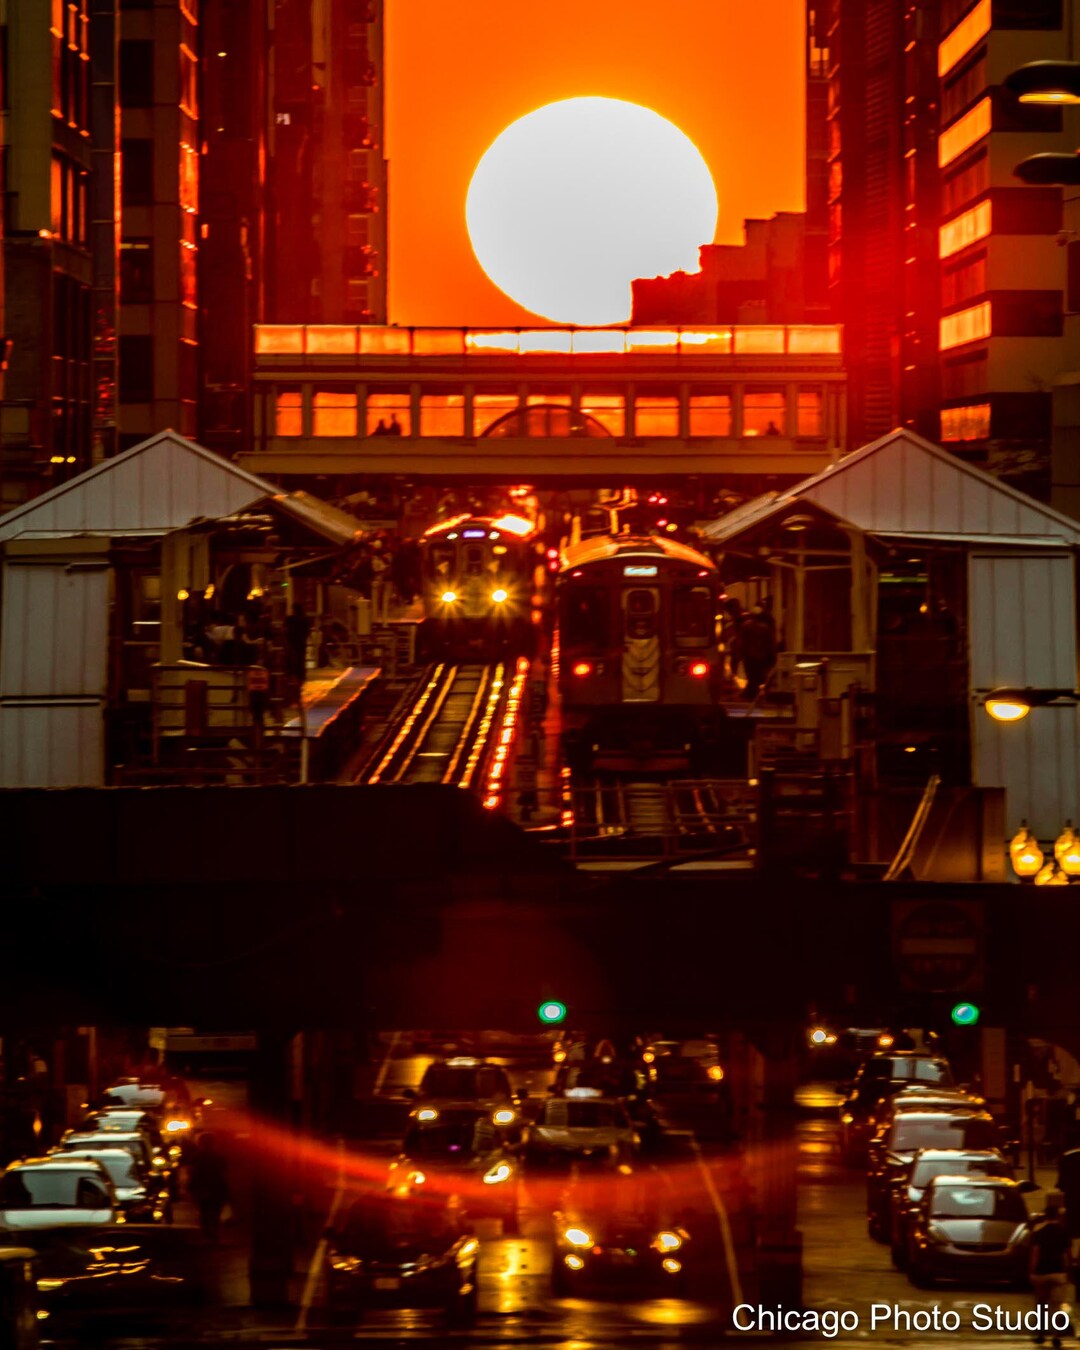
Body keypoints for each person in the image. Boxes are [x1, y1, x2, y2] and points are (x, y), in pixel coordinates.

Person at [1030, 1193, 1073, 1346]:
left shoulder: (1039, 1233)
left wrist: (1032, 1272)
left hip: (1042, 1272)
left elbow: (1035, 1253)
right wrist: (1068, 1272)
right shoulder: (1063, 1233)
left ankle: (1040, 1334)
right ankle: (1056, 1336)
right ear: (1058, 1216)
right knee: (1056, 1306)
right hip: (1058, 1272)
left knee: (1041, 1304)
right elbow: (1068, 1255)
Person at [188, 1132, 230, 1243]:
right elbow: (223, 1173)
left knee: (205, 1212)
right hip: (216, 1188)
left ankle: (207, 1235)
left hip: (203, 1188)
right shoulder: (219, 1157)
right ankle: (214, 1235)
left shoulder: (196, 1158)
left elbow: (193, 1174)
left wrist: (191, 1188)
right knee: (215, 1213)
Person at [284, 604, 311, 689]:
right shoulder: (304, 619)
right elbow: (307, 631)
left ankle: (292, 674)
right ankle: (300, 675)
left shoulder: (290, 619)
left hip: (292, 641)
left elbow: (286, 629)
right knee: (300, 659)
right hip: (301, 642)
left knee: (292, 658)